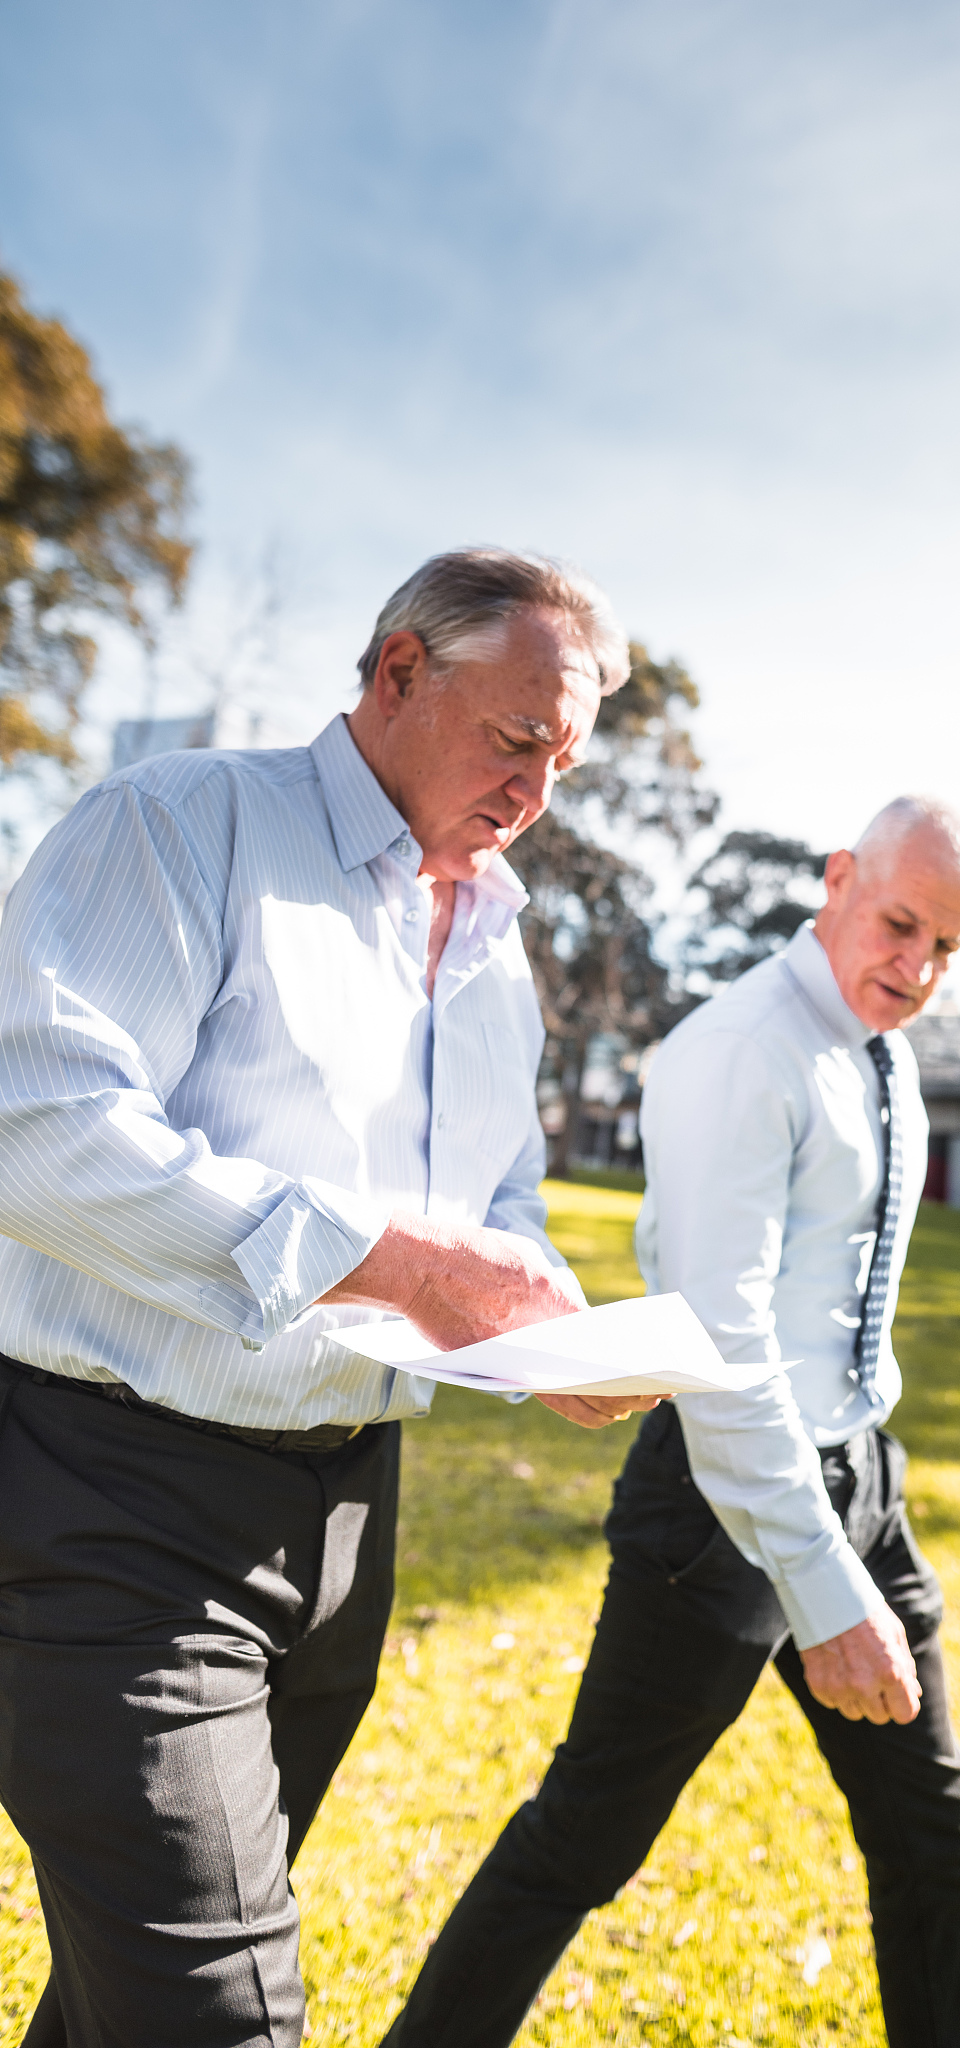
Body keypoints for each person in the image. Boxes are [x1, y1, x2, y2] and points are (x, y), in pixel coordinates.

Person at [0, 549, 659, 2048]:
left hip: (348, 1516)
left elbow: (499, 1195)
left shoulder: (494, 947)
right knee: (223, 2012)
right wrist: (407, 1270)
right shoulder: (179, 825)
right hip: (113, 1501)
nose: (535, 797)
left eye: (563, 761)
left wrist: (537, 1315)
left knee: (123, 2006)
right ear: (399, 673)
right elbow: (32, 1128)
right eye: (514, 741)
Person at [385, 796, 960, 2048]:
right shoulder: (741, 1050)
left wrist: (857, 1511)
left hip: (856, 1476)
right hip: (720, 1501)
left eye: (945, 947)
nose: (917, 968)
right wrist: (822, 1585)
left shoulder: (880, 1045)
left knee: (931, 1836)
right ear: (836, 880)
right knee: (586, 1837)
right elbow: (727, 1344)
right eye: (898, 925)